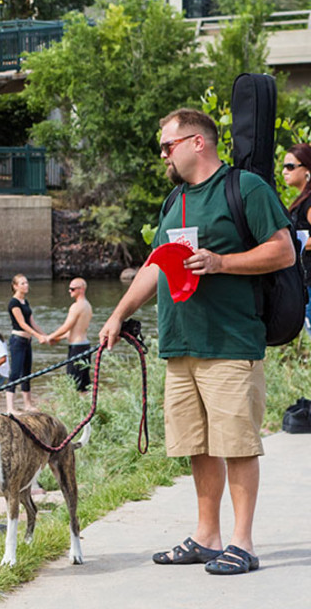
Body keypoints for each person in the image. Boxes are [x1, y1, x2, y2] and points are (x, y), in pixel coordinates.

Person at [99, 108, 293, 576]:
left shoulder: (245, 188)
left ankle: (242, 543)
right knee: (198, 444)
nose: (162, 155)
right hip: (180, 344)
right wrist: (119, 314)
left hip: (230, 342)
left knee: (237, 444)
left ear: (197, 142)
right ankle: (208, 537)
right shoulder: (175, 200)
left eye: (167, 145)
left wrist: (222, 263)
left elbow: (283, 250)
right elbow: (155, 265)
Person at [279, 143, 311, 332]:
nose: (284, 171)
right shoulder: (303, 200)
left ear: (307, 169)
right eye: (284, 166)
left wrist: (297, 243)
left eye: (290, 166)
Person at [6, 274, 48, 413]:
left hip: (27, 341)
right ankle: (10, 408)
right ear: (15, 286)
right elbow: (22, 324)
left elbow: (31, 322)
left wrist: (45, 335)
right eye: (22, 283)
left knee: (26, 373)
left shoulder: (25, 302)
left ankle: (27, 404)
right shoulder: (14, 303)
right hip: (17, 341)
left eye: (26, 283)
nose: (26, 285)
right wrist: (38, 336)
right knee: (15, 373)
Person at [45, 278, 94, 391]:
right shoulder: (88, 306)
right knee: (83, 382)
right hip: (85, 345)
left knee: (73, 381)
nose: (69, 291)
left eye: (72, 289)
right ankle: (85, 401)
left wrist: (49, 337)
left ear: (81, 289)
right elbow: (76, 330)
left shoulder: (76, 306)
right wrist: (58, 338)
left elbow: (66, 326)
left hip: (77, 348)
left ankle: (76, 402)